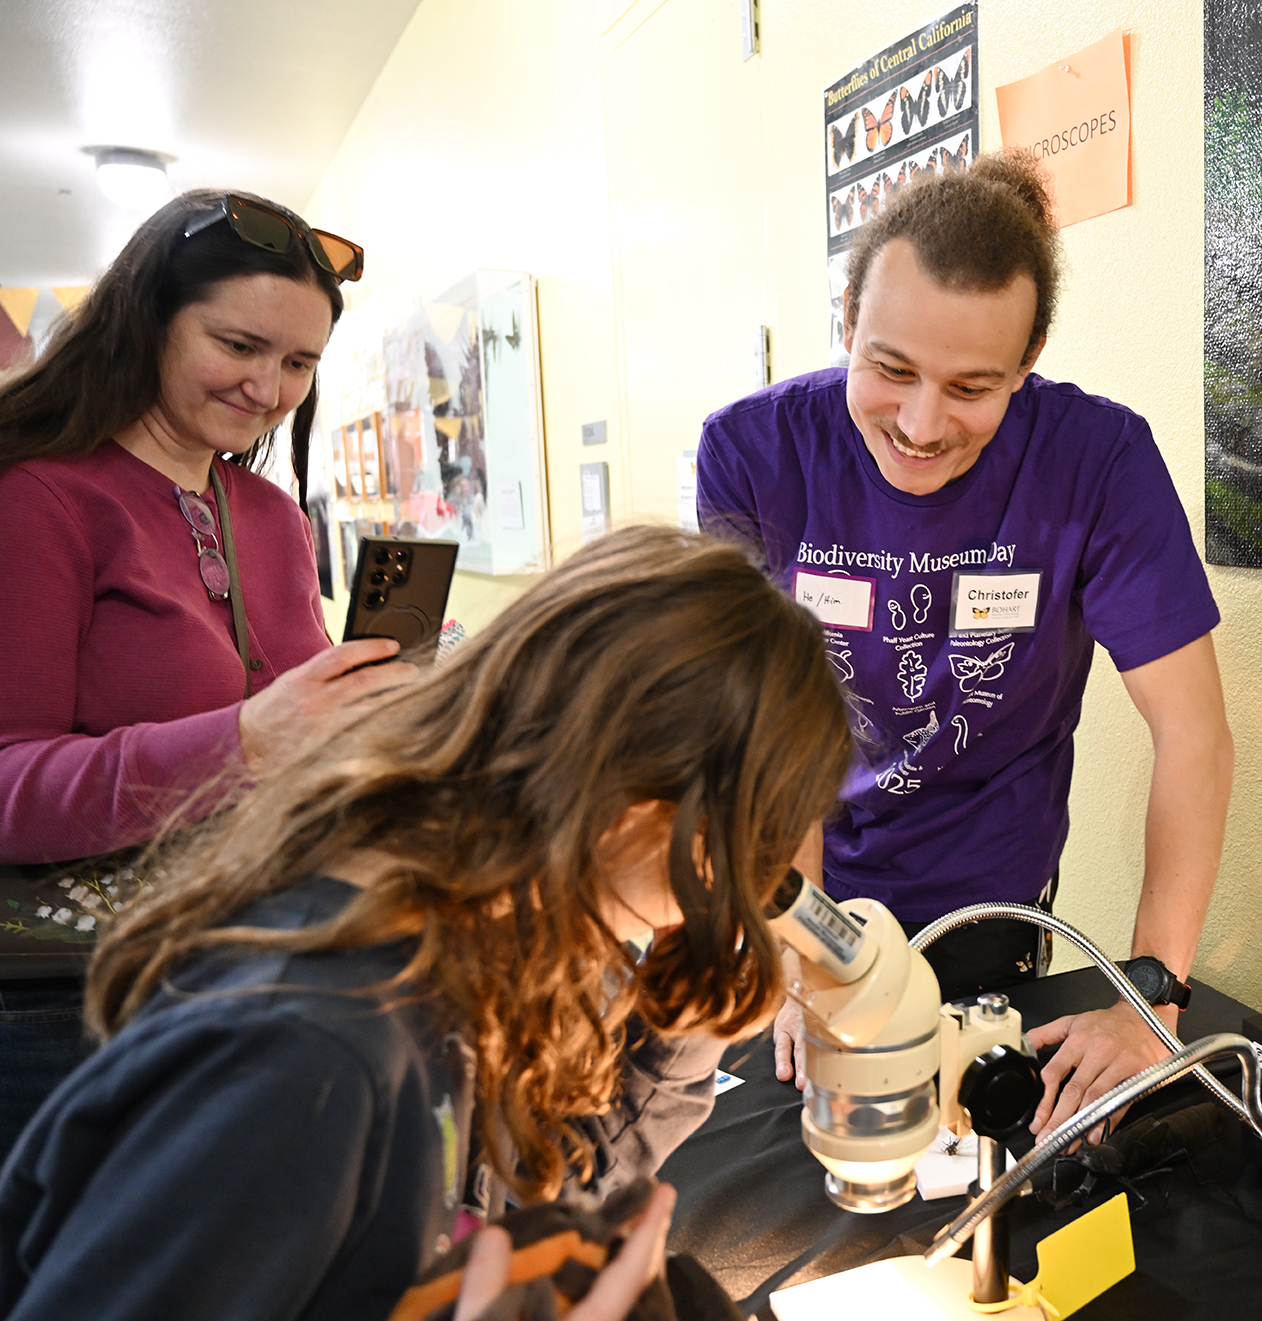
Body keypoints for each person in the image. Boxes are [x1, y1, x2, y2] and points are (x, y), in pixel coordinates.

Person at [0, 526, 853, 1321]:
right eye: (750, 847)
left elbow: (535, 1207)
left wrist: (684, 1017)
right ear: (636, 808)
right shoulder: (311, 1053)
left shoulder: (475, 950)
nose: (744, 890)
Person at [696, 154, 1234, 1144]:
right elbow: (767, 734)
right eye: (888, 368)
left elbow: (1191, 731)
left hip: (996, 904)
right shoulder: (752, 453)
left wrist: (1149, 993)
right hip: (811, 892)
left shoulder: (1095, 460)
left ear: (1027, 362)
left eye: (971, 388)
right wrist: (795, 955)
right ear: (846, 314)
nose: (918, 424)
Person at [0, 190, 415, 1157]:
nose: (268, 388)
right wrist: (240, 744)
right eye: (237, 346)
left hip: (244, 972)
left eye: (299, 363)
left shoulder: (270, 514)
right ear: (148, 322)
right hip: (73, 1009)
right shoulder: (38, 499)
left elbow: (299, 720)